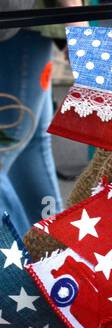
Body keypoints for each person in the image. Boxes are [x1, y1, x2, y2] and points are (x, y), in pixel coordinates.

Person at [0, 0, 60, 234]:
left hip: (20, 21)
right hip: (24, 19)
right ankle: (52, 252)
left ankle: (22, 261)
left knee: (14, 146)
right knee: (27, 145)